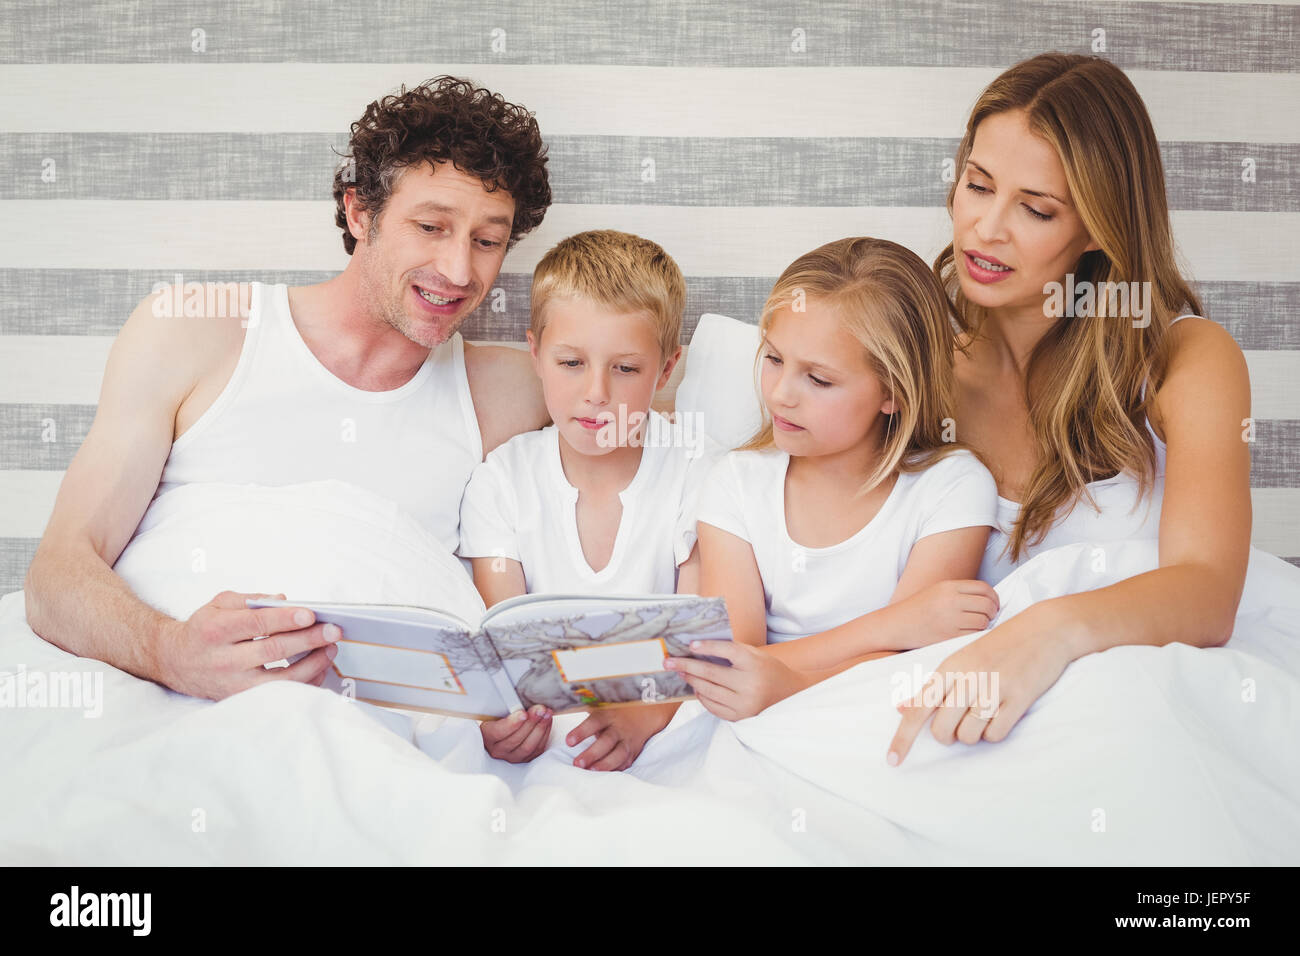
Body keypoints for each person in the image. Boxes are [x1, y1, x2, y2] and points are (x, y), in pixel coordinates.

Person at [23, 76, 554, 701]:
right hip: (169, 707)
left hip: (369, 734)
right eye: (431, 227)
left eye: (487, 241)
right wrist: (168, 653)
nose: (461, 271)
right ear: (360, 213)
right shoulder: (194, 331)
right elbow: (56, 575)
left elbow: (661, 459)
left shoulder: (515, 391)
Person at [888, 52, 1254, 763]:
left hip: (1131, 724)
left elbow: (1209, 592)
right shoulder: (914, 355)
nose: (987, 228)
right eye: (978, 185)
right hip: (955, 723)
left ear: (1097, 226)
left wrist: (1044, 634)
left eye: (1035, 208)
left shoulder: (1187, 360)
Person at [665, 237, 1001, 720]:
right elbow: (728, 666)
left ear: (895, 393)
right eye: (775, 359)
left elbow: (906, 661)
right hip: (758, 722)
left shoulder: (952, 487)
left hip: (878, 717)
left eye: (818, 380)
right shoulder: (734, 484)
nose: (780, 395)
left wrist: (790, 681)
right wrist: (893, 624)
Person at [459, 230, 720, 769]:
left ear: (666, 370)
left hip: (668, 716)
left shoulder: (696, 467)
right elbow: (505, 647)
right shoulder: (503, 480)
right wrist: (502, 723)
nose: (596, 392)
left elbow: (698, 635)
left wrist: (649, 711)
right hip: (551, 736)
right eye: (571, 363)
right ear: (535, 354)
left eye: (625, 369)